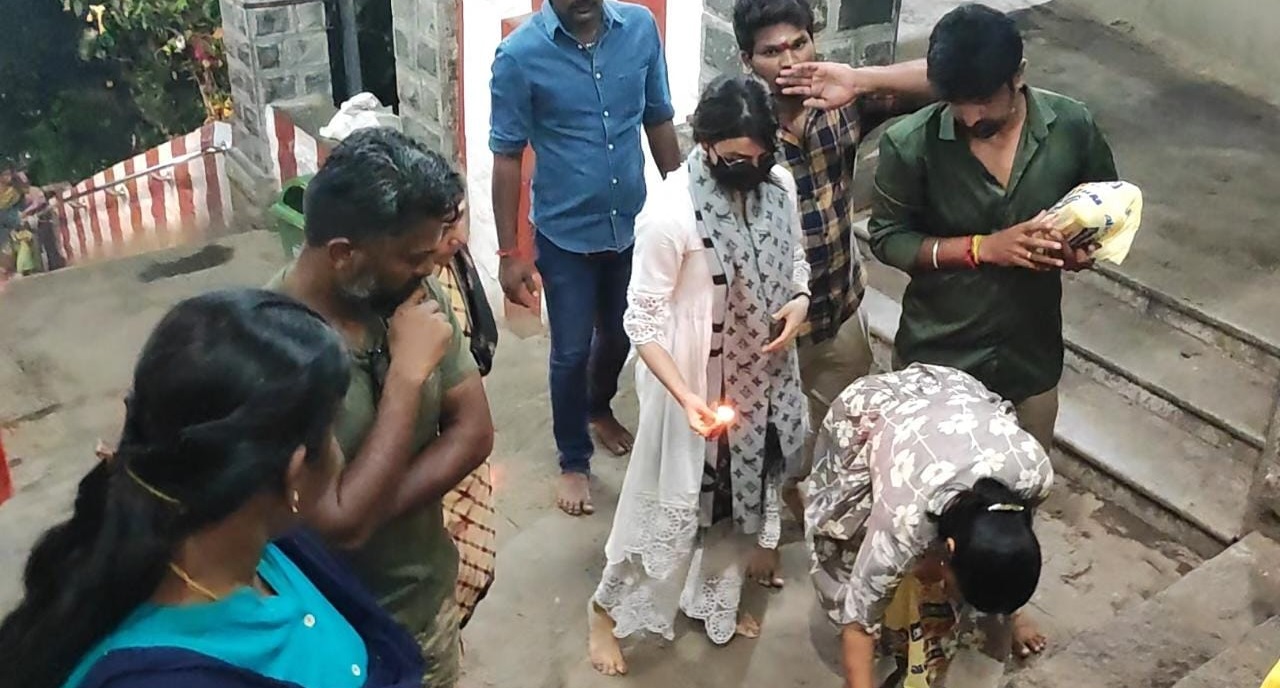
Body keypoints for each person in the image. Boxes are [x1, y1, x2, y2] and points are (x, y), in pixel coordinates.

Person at [0, 289, 428, 688]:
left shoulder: (264, 547)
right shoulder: (158, 676)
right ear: (294, 473)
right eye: (331, 429)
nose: (337, 449)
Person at [783, 3, 1118, 450]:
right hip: (937, 362)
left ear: (1018, 75)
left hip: (1030, 364)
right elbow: (888, 239)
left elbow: (1104, 205)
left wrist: (1080, 252)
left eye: (984, 102)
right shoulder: (911, 145)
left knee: (1017, 498)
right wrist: (982, 249)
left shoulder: (1071, 127)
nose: (973, 119)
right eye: (959, 105)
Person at [587, 75, 811, 676]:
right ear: (705, 142)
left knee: (737, 503)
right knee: (669, 506)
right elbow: (644, 320)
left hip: (761, 382)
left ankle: (713, 597)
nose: (753, 168)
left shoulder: (778, 186)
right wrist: (686, 397)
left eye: (763, 156)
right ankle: (605, 615)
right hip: (686, 382)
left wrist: (798, 302)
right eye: (737, 158)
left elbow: (794, 262)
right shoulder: (670, 211)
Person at [271, 127, 495, 688]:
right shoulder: (271, 347)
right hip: (329, 631)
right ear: (344, 255)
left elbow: (473, 432)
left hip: (425, 609)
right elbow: (339, 525)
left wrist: (364, 503)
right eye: (413, 256)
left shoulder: (407, 293)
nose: (431, 267)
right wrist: (406, 377)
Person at [732, 0, 935, 540]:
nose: (791, 60)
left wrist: (860, 79)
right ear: (747, 59)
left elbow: (944, 78)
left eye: (800, 44)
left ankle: (814, 500)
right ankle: (760, 530)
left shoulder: (841, 103)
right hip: (769, 324)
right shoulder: (740, 127)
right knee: (760, 433)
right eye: (773, 52)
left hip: (840, 305)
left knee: (844, 422)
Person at [490, 0, 683, 516]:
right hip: (565, 236)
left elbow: (659, 119)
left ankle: (599, 408)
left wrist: (688, 208)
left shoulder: (640, 28)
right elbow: (506, 156)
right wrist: (510, 254)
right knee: (571, 351)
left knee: (624, 333)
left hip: (633, 226)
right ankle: (573, 458)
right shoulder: (519, 56)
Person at [804, 364, 1053, 688]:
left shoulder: (1035, 475)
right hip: (874, 412)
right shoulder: (902, 521)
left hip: (959, 405)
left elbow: (1010, 537)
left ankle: (1007, 610)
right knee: (850, 553)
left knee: (985, 575)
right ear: (947, 550)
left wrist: (1012, 612)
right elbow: (859, 625)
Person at [433, 195, 500, 630]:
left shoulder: (446, 264)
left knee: (475, 570)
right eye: (444, 227)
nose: (459, 237)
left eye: (460, 219)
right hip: (428, 456)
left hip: (456, 450)